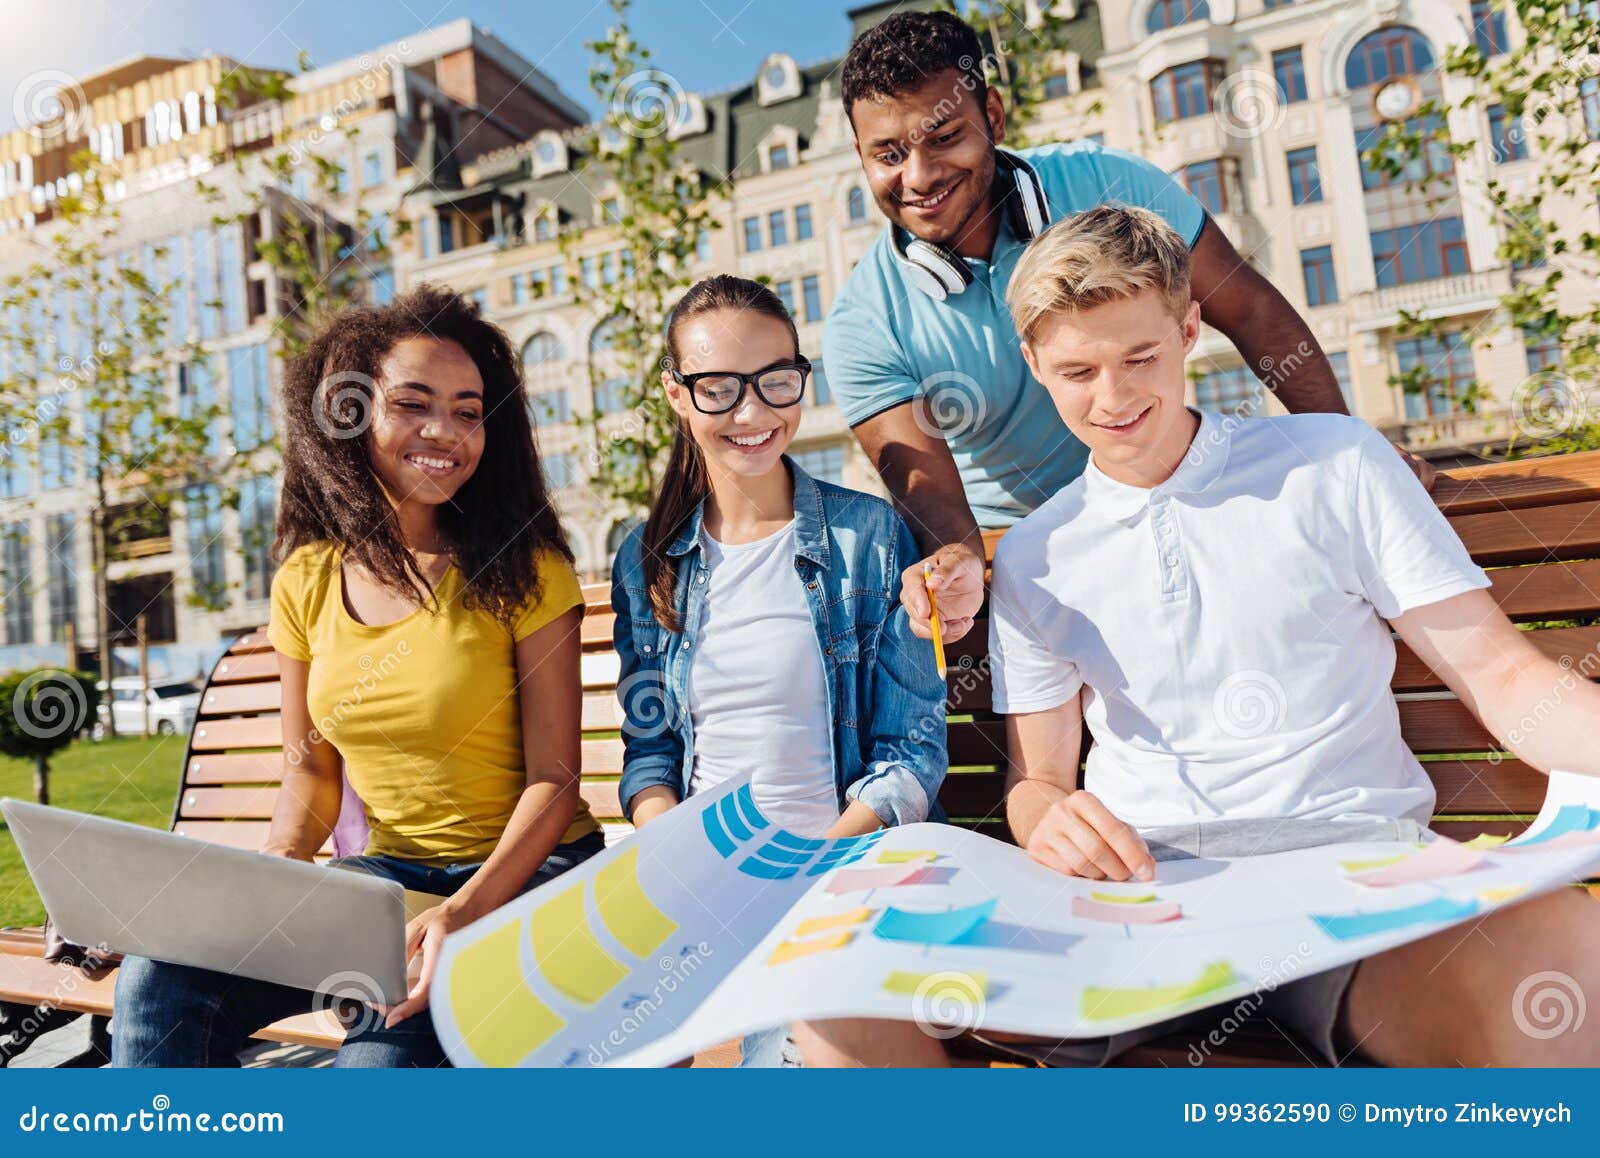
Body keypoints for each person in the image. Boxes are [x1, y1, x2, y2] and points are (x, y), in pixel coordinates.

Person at [797, 205, 1600, 1068]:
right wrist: (1051, 822)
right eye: (1077, 371)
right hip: (1136, 907)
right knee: (841, 983)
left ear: (1188, 331)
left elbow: (1502, 675)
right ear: (1033, 363)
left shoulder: (1336, 463)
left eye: (1141, 357)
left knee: (1554, 950)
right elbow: (1036, 782)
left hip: (1355, 888)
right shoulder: (1037, 556)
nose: (1114, 398)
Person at [823, 9, 1434, 647]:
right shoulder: (862, 325)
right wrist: (955, 565)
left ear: (994, 118)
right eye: (888, 155)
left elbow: (1250, 310)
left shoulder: (1108, 181)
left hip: (1182, 501)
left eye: (945, 137)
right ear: (861, 157)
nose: (918, 176)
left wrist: (1345, 448)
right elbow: (938, 508)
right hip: (1033, 560)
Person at [113, 286, 604, 1067]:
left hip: (527, 879)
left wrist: (464, 912)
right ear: (349, 417)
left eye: (469, 411)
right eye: (412, 404)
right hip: (385, 885)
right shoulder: (305, 580)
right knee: (161, 978)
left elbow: (555, 780)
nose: (445, 432)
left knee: (377, 1063)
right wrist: (270, 880)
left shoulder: (526, 570)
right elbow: (310, 772)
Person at [610, 275, 948, 1066]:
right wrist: (679, 855)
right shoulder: (647, 559)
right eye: (719, 388)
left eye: (775, 381)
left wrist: (808, 871)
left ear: (802, 377)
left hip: (837, 880)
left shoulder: (870, 538)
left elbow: (911, 753)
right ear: (677, 395)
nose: (752, 412)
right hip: (701, 891)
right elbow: (651, 753)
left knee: (794, 1061)